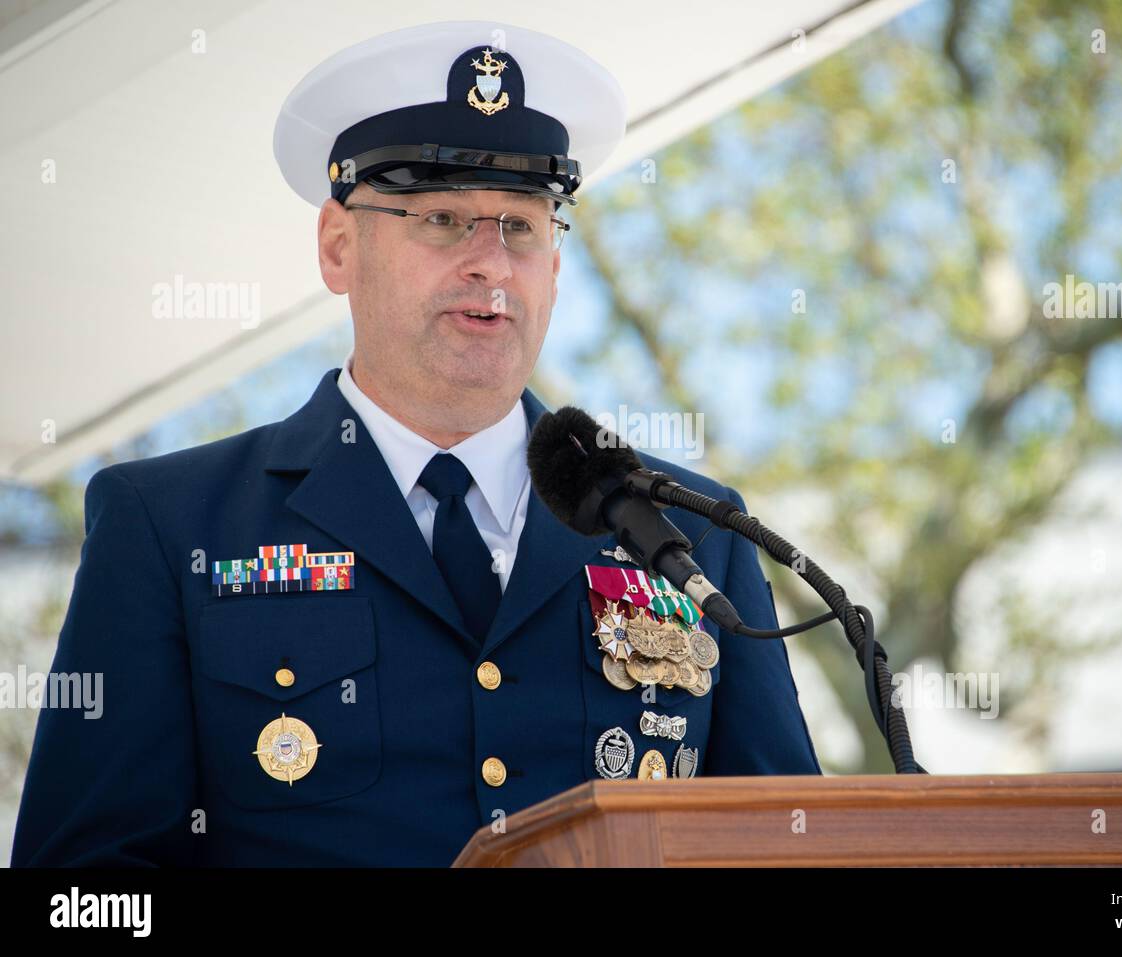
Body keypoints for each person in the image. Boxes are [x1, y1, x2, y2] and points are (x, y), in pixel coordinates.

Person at [11, 20, 820, 868]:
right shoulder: (172, 525)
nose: (492, 265)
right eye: (443, 218)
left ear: (555, 260)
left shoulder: (692, 533)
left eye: (522, 226)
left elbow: (794, 850)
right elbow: (84, 893)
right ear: (337, 246)